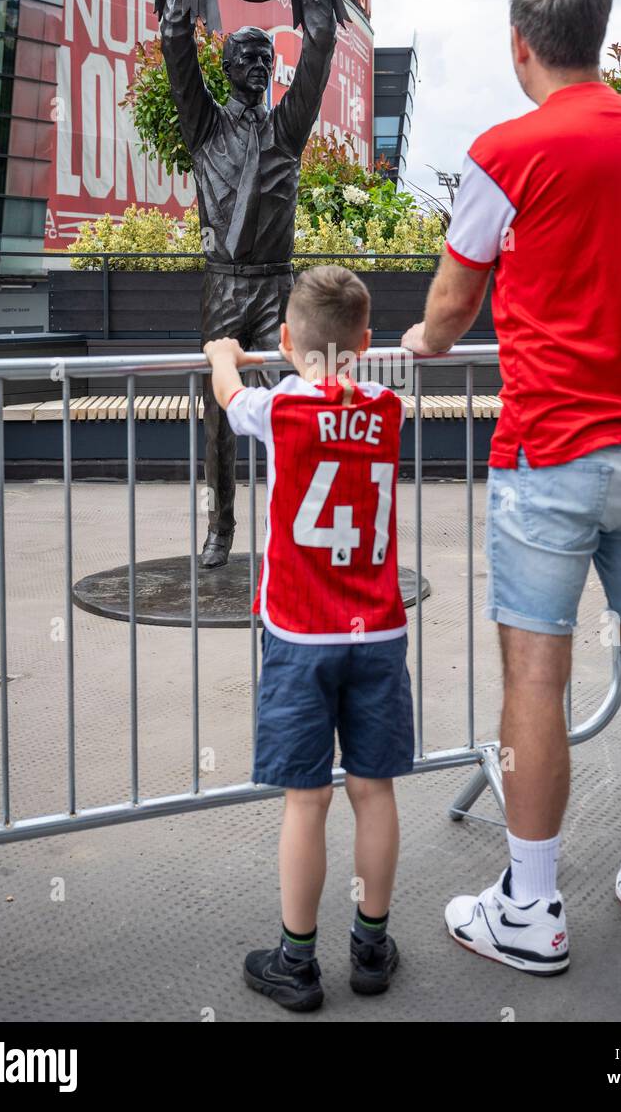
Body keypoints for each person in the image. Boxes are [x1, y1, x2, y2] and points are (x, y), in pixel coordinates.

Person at [402, 0, 621, 975]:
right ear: (600, 36)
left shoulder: (502, 154)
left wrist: (425, 342)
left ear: (519, 42)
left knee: (535, 671)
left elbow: (449, 308)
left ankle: (530, 905)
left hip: (550, 450)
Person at [206, 265, 414, 1011]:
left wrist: (222, 356)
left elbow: (231, 396)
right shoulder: (388, 408)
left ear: (288, 340)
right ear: (365, 342)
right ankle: (370, 942)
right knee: (373, 787)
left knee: (307, 799)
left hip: (301, 632)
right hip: (379, 631)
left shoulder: (278, 407)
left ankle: (296, 960)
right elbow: (357, 384)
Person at [160, 0, 337, 569]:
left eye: (268, 55)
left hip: (276, 287)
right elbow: (175, 30)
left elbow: (320, 31)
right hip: (224, 289)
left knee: (297, 406)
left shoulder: (289, 130)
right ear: (229, 69)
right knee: (220, 422)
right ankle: (221, 525)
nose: (262, 64)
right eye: (248, 56)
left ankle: (295, 525)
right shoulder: (203, 128)